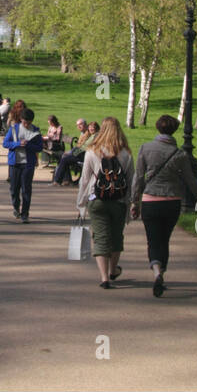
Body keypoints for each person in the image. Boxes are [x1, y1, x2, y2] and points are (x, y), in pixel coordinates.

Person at [132, 115, 197, 297]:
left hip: (150, 200)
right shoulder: (180, 154)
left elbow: (139, 177)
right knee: (165, 239)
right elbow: (190, 180)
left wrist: (134, 201)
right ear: (174, 130)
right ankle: (161, 272)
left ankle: (156, 271)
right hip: (172, 201)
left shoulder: (146, 148)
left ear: (158, 128)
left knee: (153, 239)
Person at [75, 116, 134, 288]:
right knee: (116, 236)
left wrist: (81, 202)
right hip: (119, 200)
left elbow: (84, 179)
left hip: (97, 198)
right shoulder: (126, 153)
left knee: (100, 237)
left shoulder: (92, 151)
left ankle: (104, 278)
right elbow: (131, 180)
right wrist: (131, 202)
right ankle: (113, 270)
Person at [3, 107, 44, 222]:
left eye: (29, 122)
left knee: (26, 189)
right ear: (21, 119)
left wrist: (28, 145)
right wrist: (17, 144)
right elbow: (5, 143)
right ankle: (16, 207)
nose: (26, 124)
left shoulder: (35, 131)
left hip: (28, 164)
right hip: (15, 163)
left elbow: (40, 147)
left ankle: (25, 213)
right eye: (25, 122)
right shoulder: (14, 129)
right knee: (14, 189)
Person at [53, 118, 93, 186]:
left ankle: (58, 181)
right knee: (63, 157)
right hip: (79, 154)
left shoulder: (88, 133)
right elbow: (79, 146)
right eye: (77, 125)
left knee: (64, 159)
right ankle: (66, 180)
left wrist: (71, 153)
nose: (79, 126)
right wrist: (70, 152)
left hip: (83, 156)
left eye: (80, 124)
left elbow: (83, 148)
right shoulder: (83, 133)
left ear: (85, 124)